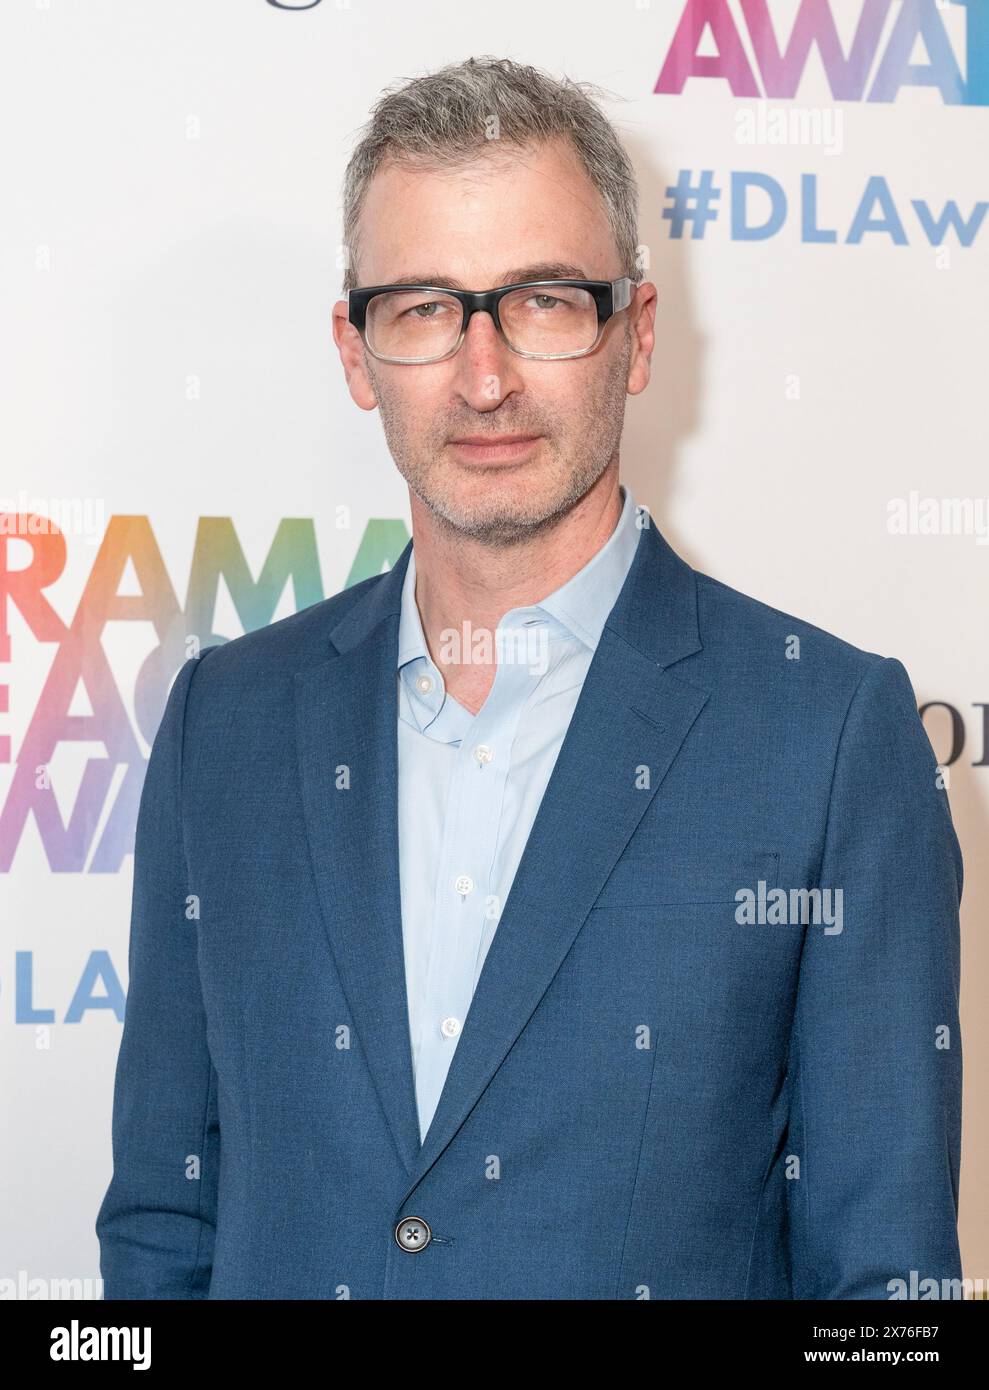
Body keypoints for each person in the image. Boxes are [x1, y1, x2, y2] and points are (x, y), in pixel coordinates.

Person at [96, 56, 963, 1300]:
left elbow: (880, 1290)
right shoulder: (223, 723)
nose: (485, 376)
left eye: (543, 301)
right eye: (422, 308)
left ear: (636, 334)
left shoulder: (825, 737)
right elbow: (164, 1225)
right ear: (355, 351)